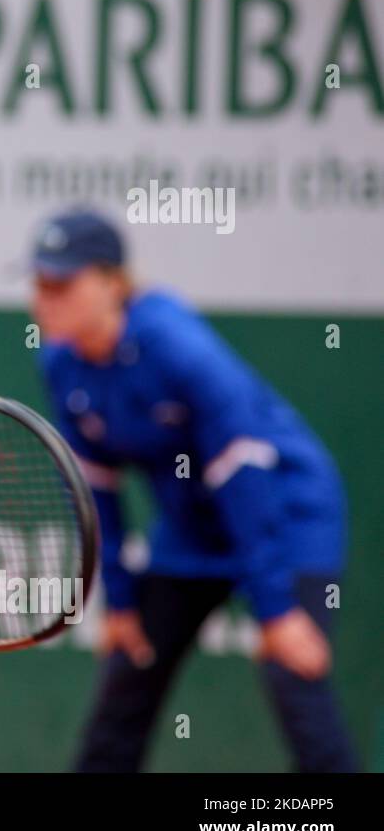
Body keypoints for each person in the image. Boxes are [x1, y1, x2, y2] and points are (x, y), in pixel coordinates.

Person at [27, 210, 359, 773]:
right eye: (39, 283)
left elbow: (242, 472)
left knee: (292, 672)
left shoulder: (177, 345)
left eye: (63, 283)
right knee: (129, 673)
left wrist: (275, 606)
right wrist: (122, 602)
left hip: (285, 514)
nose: (46, 299)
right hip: (191, 532)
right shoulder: (61, 364)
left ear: (112, 282)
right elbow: (96, 490)